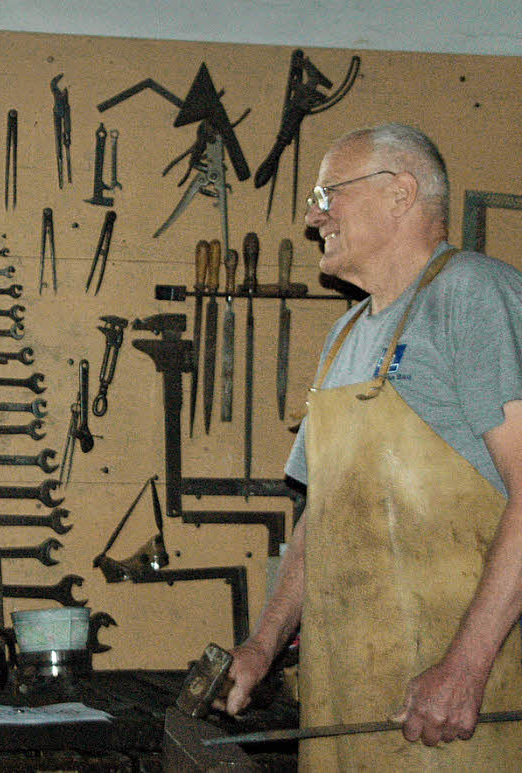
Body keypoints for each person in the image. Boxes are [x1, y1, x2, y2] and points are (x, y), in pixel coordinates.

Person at [223, 123, 522, 770]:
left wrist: (466, 667)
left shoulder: (473, 295)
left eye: (328, 193)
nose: (313, 216)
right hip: (348, 703)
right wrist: (262, 646)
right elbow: (323, 516)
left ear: (400, 193)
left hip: (456, 711)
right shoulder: (345, 335)